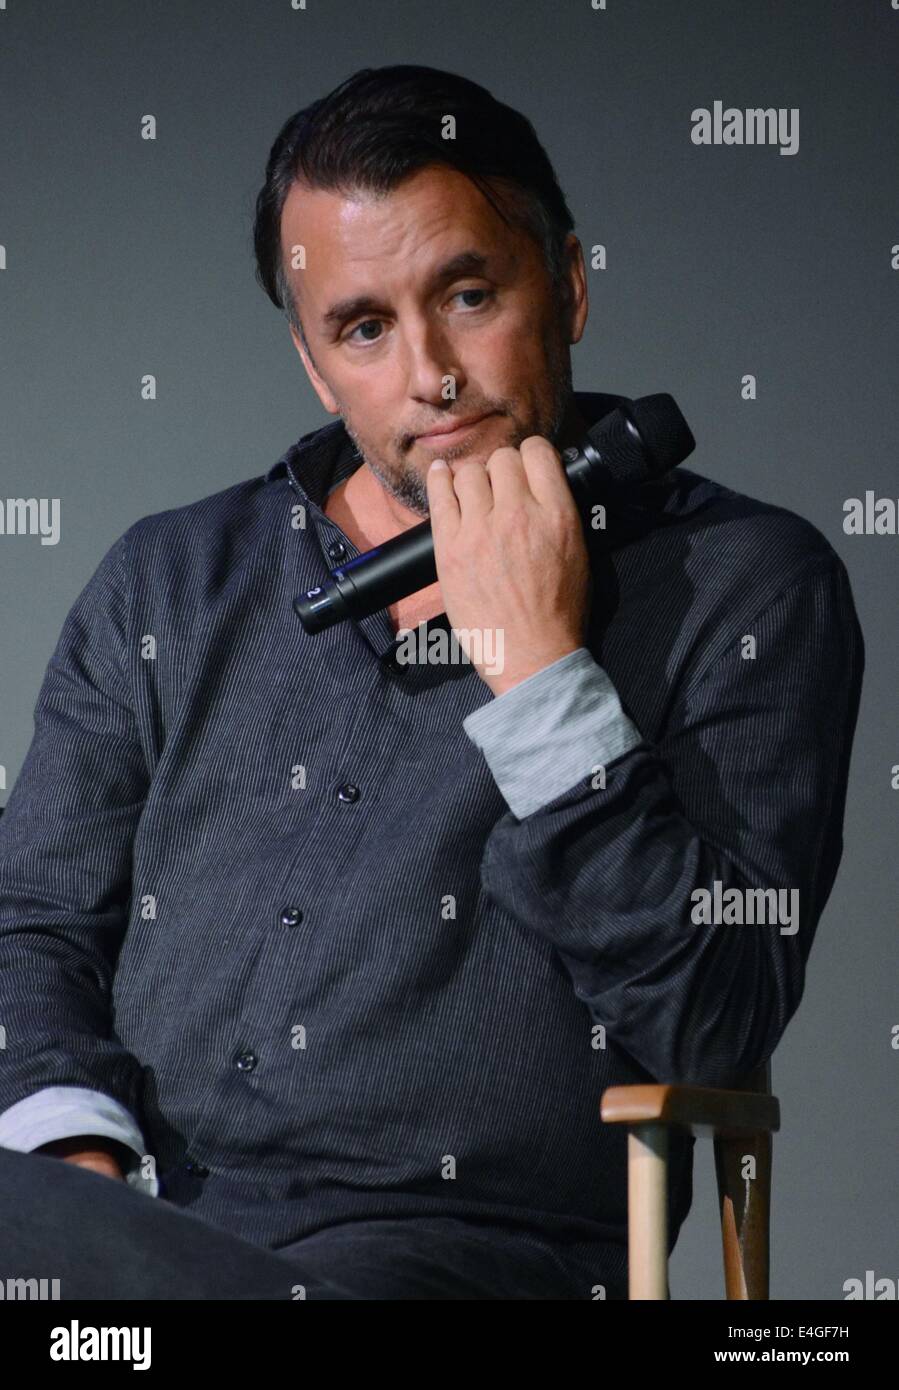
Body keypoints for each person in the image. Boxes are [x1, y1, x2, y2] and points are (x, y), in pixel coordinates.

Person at [0, 65, 863, 1300]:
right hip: (139, 1241)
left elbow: (715, 1022)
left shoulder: (747, 587)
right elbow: (24, 924)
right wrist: (74, 1192)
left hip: (469, 1268)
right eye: (363, 327)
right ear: (313, 363)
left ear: (563, 286)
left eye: (467, 293)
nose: (431, 374)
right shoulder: (171, 580)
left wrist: (541, 674)